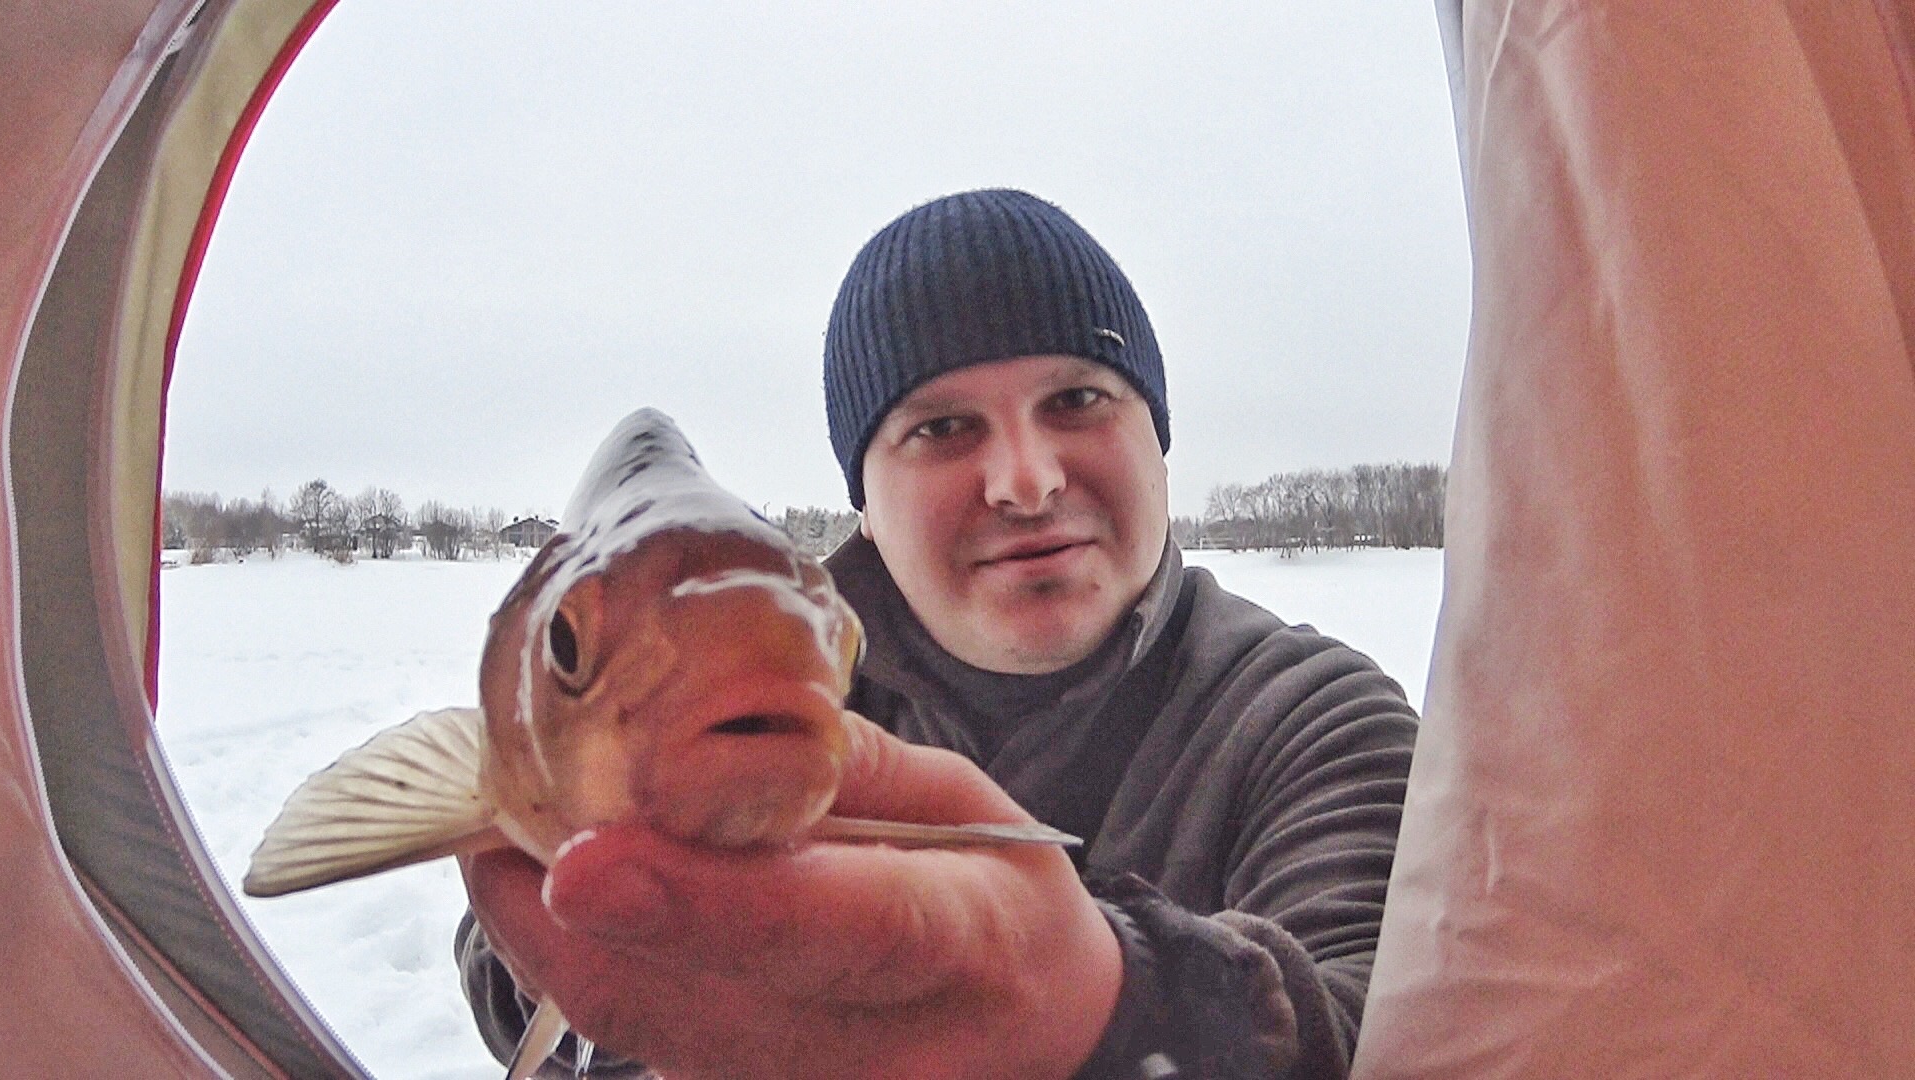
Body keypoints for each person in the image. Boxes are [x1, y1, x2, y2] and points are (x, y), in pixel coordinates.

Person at [456, 189, 1419, 1079]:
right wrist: (566, 906)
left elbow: (1400, 1025)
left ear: (1157, 442)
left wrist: (1121, 1004)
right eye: (942, 428)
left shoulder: (1316, 718)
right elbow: (535, 1009)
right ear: (864, 504)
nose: (1026, 479)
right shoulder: (744, 686)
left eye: (1078, 400)